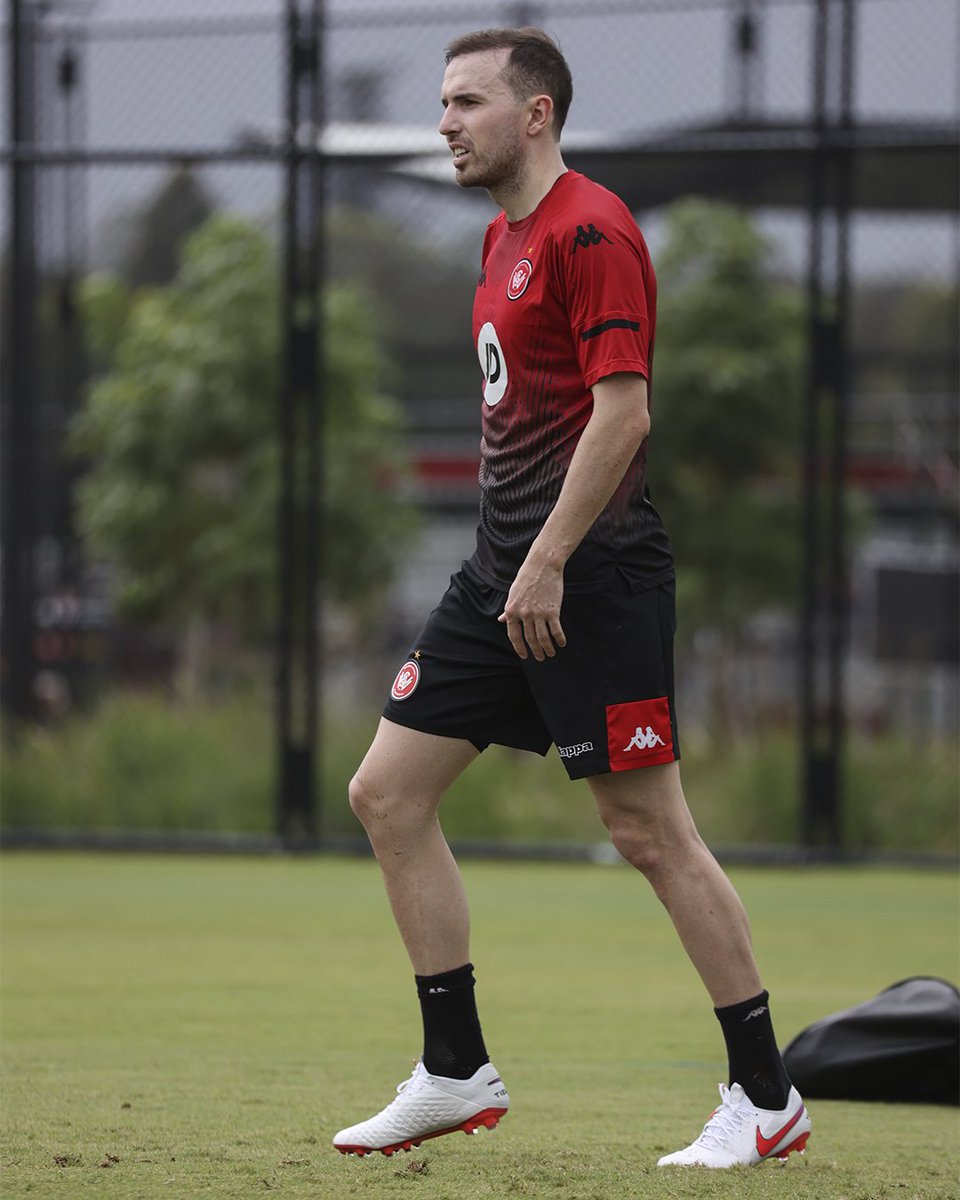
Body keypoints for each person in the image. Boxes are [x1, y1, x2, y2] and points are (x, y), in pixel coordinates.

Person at [333, 27, 811, 1169]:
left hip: (587, 581)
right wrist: (515, 563)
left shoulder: (592, 228)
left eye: (467, 101)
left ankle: (766, 1097)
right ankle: (455, 1069)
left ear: (536, 112)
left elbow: (624, 414)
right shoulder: (503, 239)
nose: (445, 121)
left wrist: (547, 559)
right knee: (387, 794)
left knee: (648, 832)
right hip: (502, 578)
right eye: (442, 102)